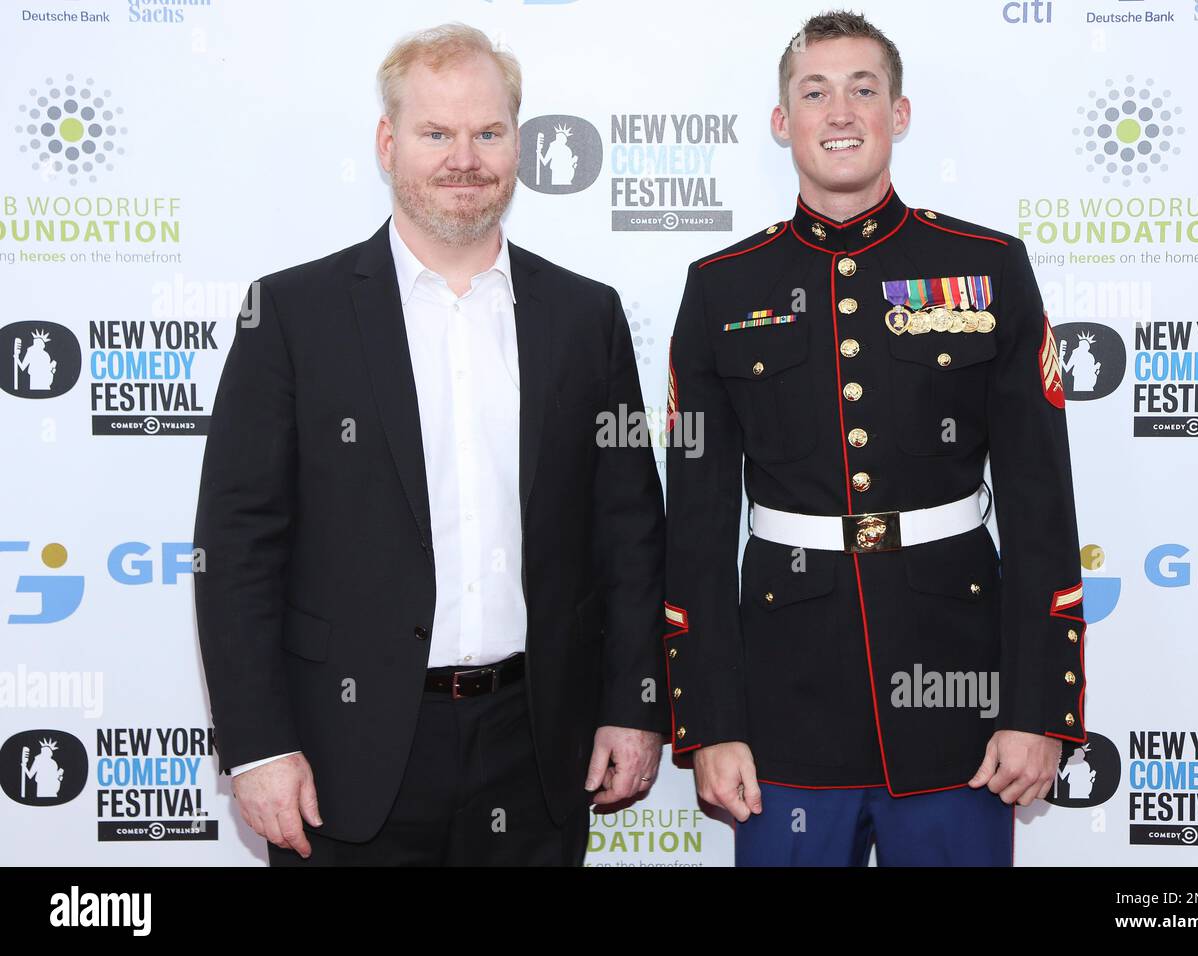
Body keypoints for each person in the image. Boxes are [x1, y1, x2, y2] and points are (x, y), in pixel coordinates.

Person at [193, 23, 667, 866]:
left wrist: (633, 706)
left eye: (487, 132)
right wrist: (258, 747)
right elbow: (236, 550)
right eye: (436, 133)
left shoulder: (586, 318)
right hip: (344, 754)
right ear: (388, 143)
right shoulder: (292, 317)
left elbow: (627, 532)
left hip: (539, 749)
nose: (465, 158)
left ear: (516, 143)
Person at [662, 10, 1087, 866]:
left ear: (900, 114)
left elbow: (1041, 510)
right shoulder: (721, 288)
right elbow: (696, 535)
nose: (841, 111)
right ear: (783, 122)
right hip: (783, 710)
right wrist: (709, 723)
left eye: (865, 88)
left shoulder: (988, 267)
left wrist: (1040, 708)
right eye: (815, 92)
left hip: (959, 707)